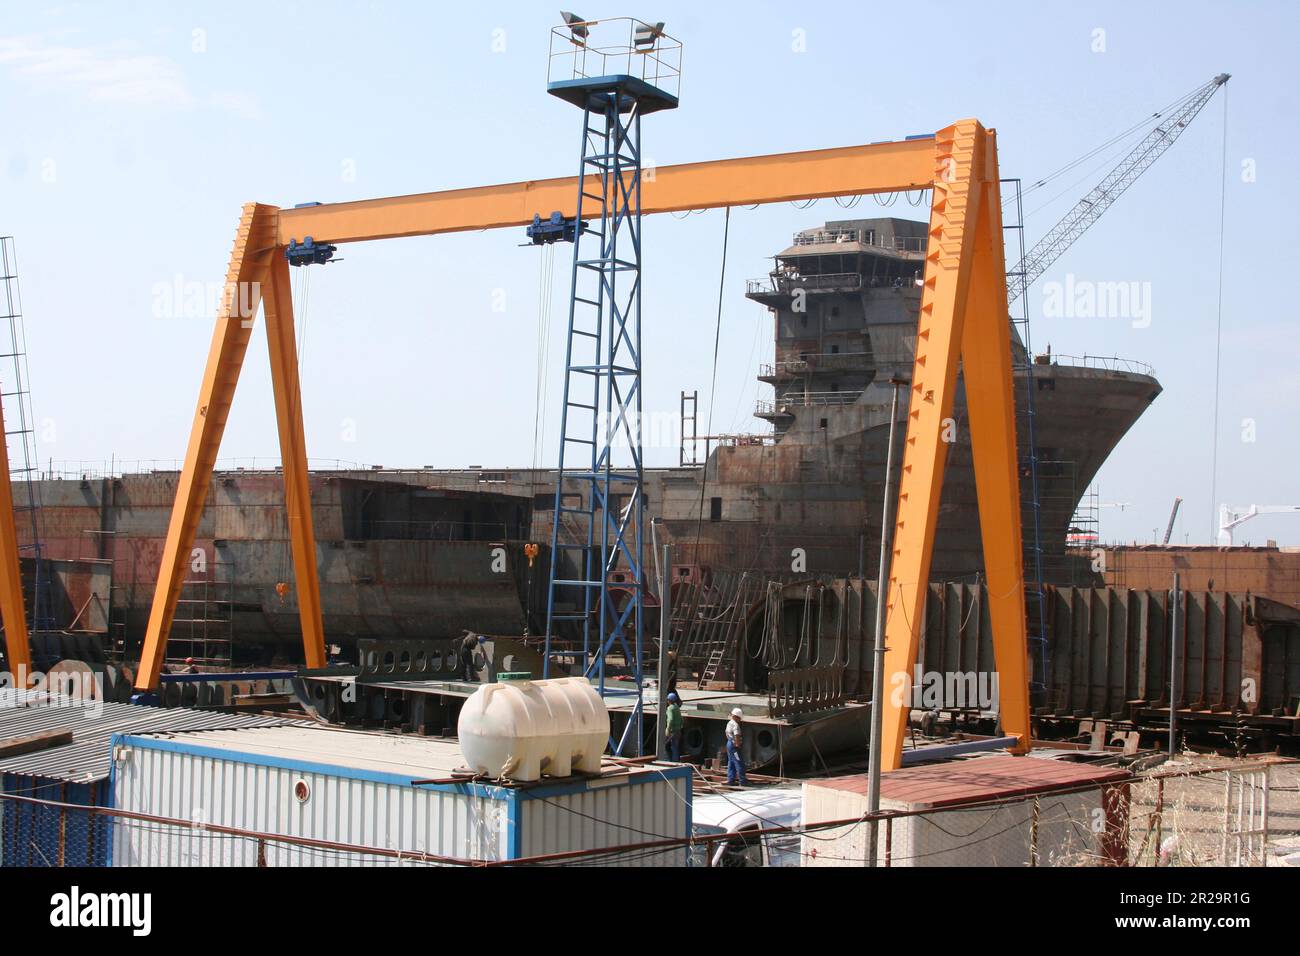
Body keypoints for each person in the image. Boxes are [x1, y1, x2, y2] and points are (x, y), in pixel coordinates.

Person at [724, 707, 747, 786]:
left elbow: (726, 733)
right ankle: (742, 781)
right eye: (739, 718)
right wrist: (737, 744)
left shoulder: (729, 723)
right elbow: (737, 735)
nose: (739, 720)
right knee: (738, 762)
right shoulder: (736, 725)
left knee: (731, 762)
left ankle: (731, 780)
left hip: (729, 744)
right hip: (734, 746)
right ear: (736, 717)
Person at [664, 692, 683, 761]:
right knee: (675, 746)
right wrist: (680, 727)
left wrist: (668, 730)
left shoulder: (670, 708)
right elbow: (681, 719)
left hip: (672, 731)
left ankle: (670, 761)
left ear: (669, 700)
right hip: (678, 730)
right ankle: (676, 761)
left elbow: (670, 719)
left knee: (666, 746)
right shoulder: (677, 707)